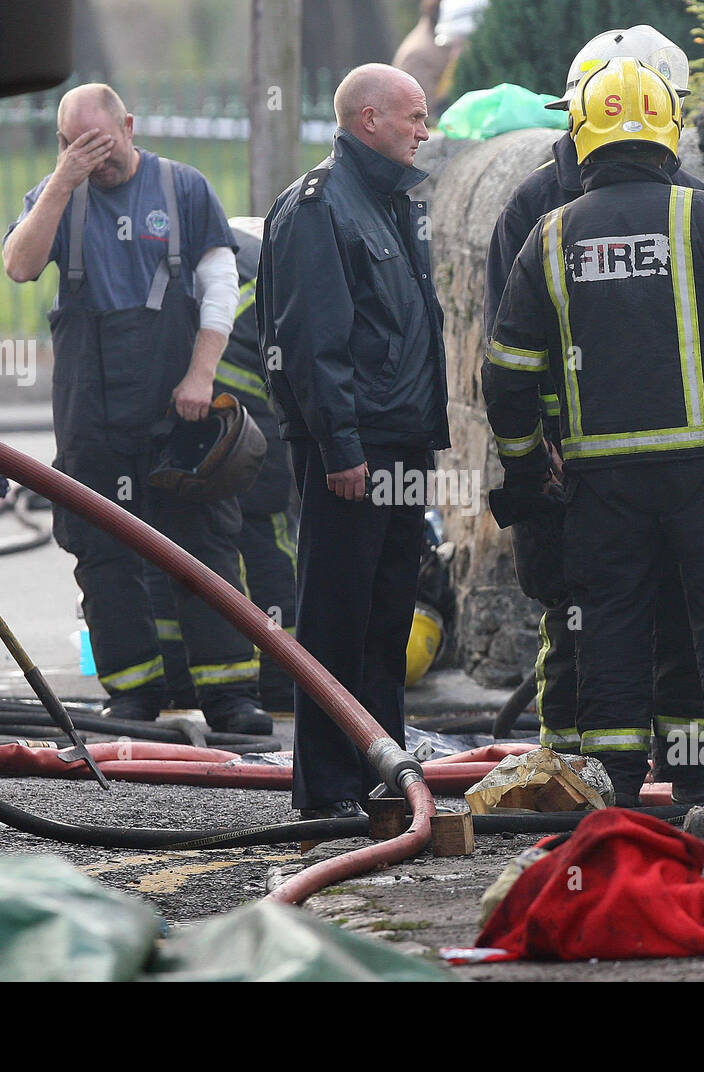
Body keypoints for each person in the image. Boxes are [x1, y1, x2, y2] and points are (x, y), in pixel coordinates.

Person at [484, 58, 704, 805]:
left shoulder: (551, 234)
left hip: (602, 484)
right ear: (670, 131)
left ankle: (613, 785)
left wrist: (531, 466)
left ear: (582, 135)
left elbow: (506, 372)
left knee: (613, 622)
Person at [3, 83, 270, 734]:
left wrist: (201, 376)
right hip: (90, 412)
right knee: (102, 552)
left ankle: (229, 697)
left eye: (109, 142)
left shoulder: (182, 189)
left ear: (129, 124)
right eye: (83, 147)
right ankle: (134, 696)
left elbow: (217, 287)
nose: (104, 159)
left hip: (175, 404)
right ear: (66, 145)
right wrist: (64, 184)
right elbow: (18, 265)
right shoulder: (58, 197)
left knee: (203, 543)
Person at [485, 25, 704, 791]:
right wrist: (539, 448)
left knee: (670, 619)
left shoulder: (686, 203)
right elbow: (509, 351)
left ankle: (675, 775)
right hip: (568, 467)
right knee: (577, 623)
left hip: (629, 467)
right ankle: (573, 778)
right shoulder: (535, 208)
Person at [257, 64, 449, 819]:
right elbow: (312, 342)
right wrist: (340, 449)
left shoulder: (391, 202)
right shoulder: (318, 207)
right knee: (336, 617)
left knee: (386, 617)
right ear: (368, 119)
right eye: (414, 117)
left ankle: (382, 768)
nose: (423, 130)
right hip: (355, 454)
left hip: (401, 444)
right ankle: (328, 789)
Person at [148, 216, 299, 714]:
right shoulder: (285, 260)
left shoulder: (222, 247)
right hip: (248, 420)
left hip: (192, 408)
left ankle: (177, 675)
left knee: (183, 542)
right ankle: (283, 677)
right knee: (267, 537)